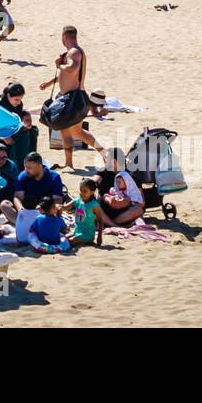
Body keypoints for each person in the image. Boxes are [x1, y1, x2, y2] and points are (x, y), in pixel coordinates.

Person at [38, 25, 103, 169]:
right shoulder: (73, 52)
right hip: (73, 98)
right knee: (74, 131)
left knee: (68, 130)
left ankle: (99, 154)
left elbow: (72, 68)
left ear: (64, 37)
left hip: (73, 99)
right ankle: (99, 154)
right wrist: (50, 82)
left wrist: (59, 65)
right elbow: (69, 75)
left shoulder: (74, 53)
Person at [68, 179, 114, 245]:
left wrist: (99, 237)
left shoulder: (94, 205)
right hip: (77, 231)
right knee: (65, 237)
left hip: (87, 234)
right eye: (80, 190)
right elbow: (65, 207)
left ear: (92, 192)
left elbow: (100, 220)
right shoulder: (78, 200)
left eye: (85, 191)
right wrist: (58, 207)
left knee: (70, 240)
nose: (81, 193)